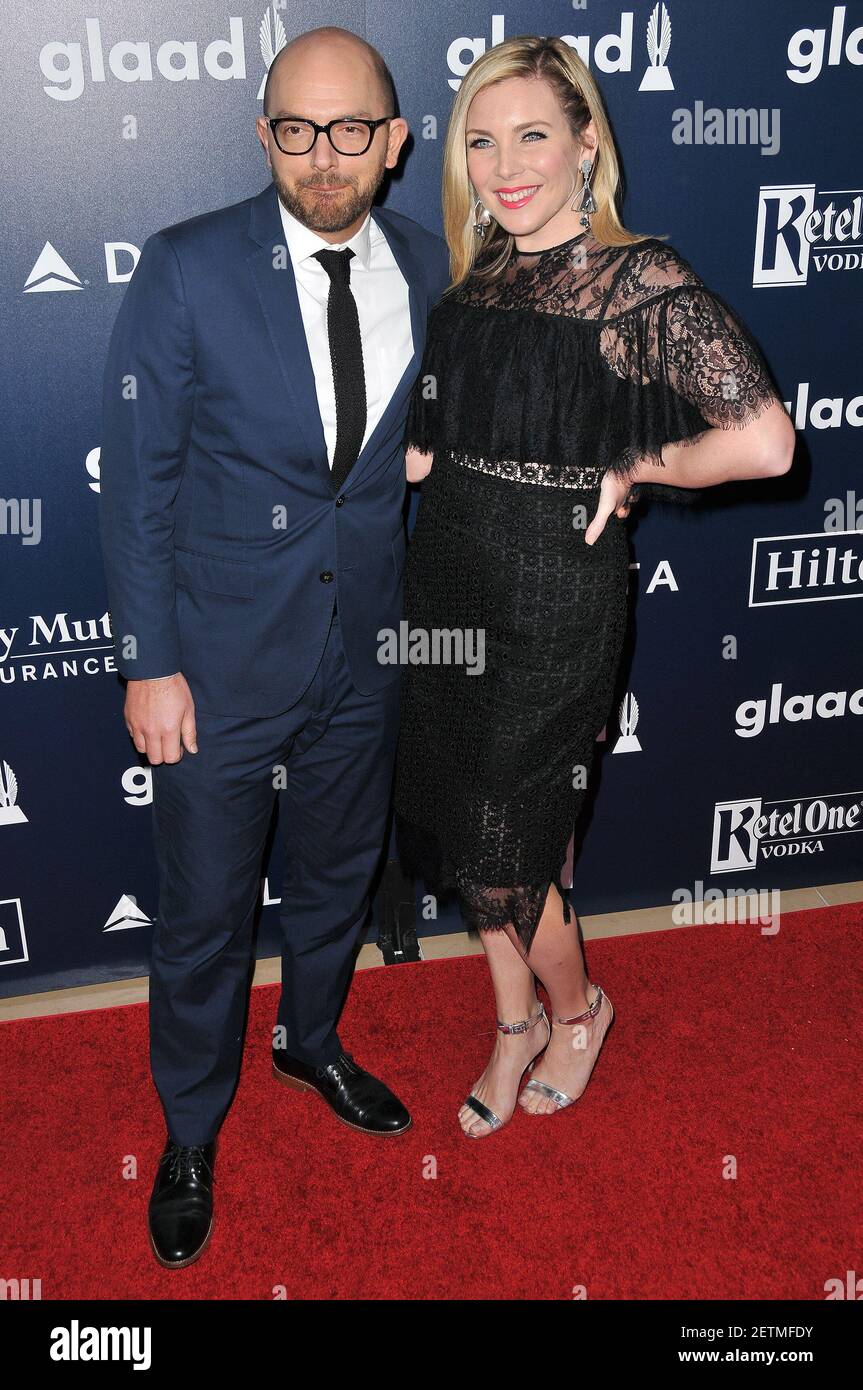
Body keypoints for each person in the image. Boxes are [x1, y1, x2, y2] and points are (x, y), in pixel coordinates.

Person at [393, 35, 794, 1139]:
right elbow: (424, 451)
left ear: (584, 146)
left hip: (553, 600)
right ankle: (511, 1022)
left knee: (503, 846)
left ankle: (578, 1013)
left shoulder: (636, 278)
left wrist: (636, 465)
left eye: (531, 136)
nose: (504, 167)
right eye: (481, 142)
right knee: (460, 820)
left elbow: (764, 441)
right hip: (447, 580)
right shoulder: (476, 280)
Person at [98, 26, 449, 1267]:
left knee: (338, 874)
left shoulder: (428, 261)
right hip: (215, 665)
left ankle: (311, 1040)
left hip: (367, 649)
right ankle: (191, 1127)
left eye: (350, 130)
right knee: (202, 913)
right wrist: (148, 662)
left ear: (393, 141)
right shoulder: (187, 268)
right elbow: (138, 482)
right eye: (296, 130)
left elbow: (404, 442)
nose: (323, 156)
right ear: (263, 135)